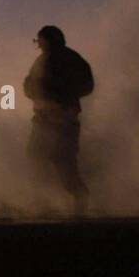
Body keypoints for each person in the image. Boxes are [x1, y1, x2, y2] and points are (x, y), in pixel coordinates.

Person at [22, 25, 93, 215]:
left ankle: (79, 203)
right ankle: (44, 205)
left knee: (62, 162)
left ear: (49, 40)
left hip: (63, 121)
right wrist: (39, 95)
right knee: (38, 159)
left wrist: (60, 98)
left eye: (40, 41)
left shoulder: (69, 59)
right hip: (44, 120)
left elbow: (87, 85)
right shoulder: (43, 60)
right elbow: (28, 85)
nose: (39, 45)